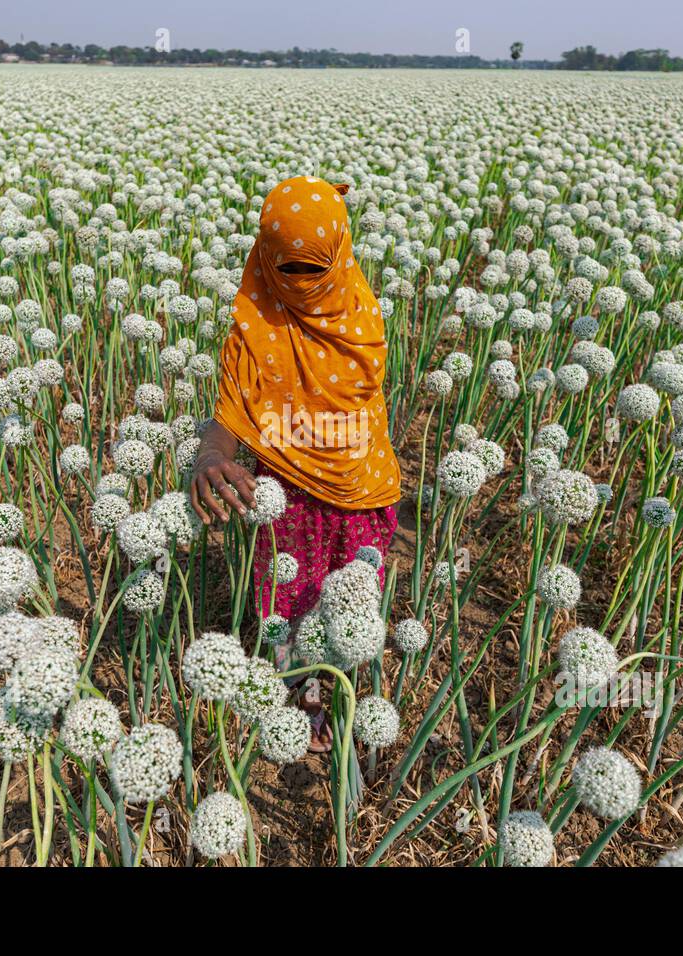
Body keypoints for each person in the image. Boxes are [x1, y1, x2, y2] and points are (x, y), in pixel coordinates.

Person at [191, 175, 401, 751]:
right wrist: (212, 455)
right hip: (286, 506)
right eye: (289, 270)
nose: (304, 286)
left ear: (340, 252)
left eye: (317, 269)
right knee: (286, 605)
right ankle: (301, 704)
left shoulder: (360, 318)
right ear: (263, 258)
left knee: (349, 607)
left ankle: (347, 701)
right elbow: (232, 410)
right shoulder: (254, 325)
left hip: (357, 496)